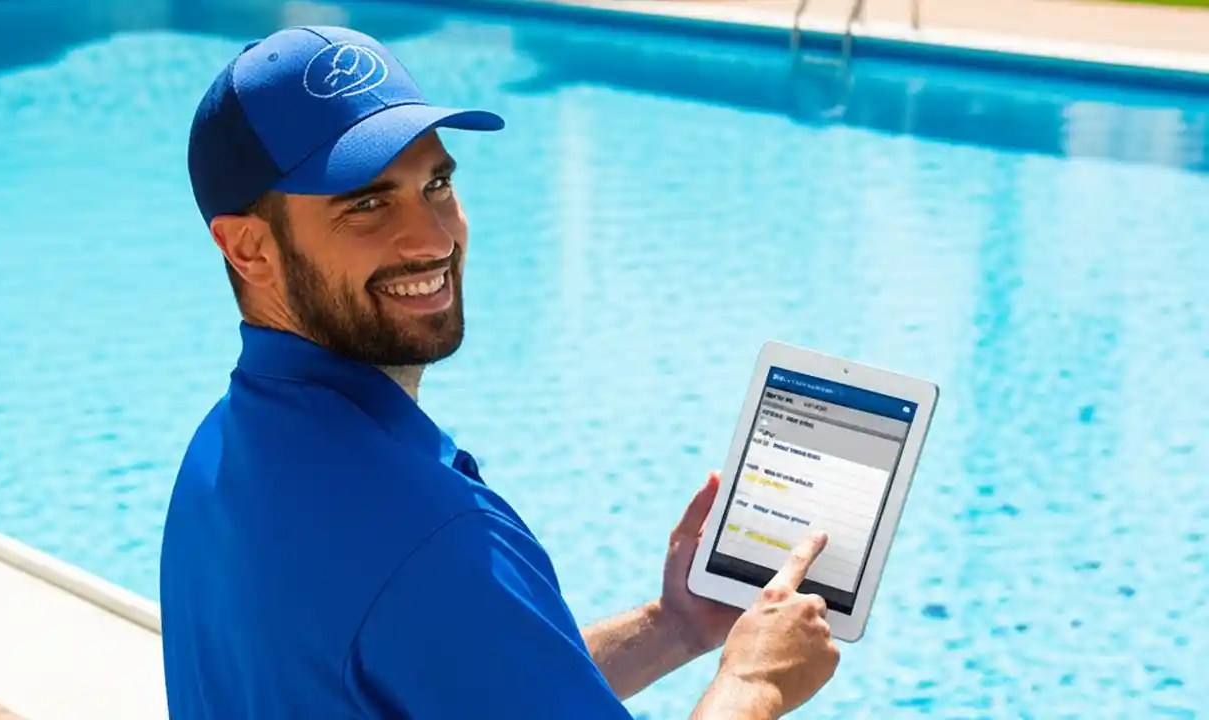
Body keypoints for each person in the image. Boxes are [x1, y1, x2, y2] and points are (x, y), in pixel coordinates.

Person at [160, 24, 840, 719]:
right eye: (366, 204)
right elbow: (429, 597)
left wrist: (676, 626)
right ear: (248, 248)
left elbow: (452, 678)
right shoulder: (429, 536)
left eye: (436, 183)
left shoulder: (218, 456)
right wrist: (754, 683)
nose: (432, 238)